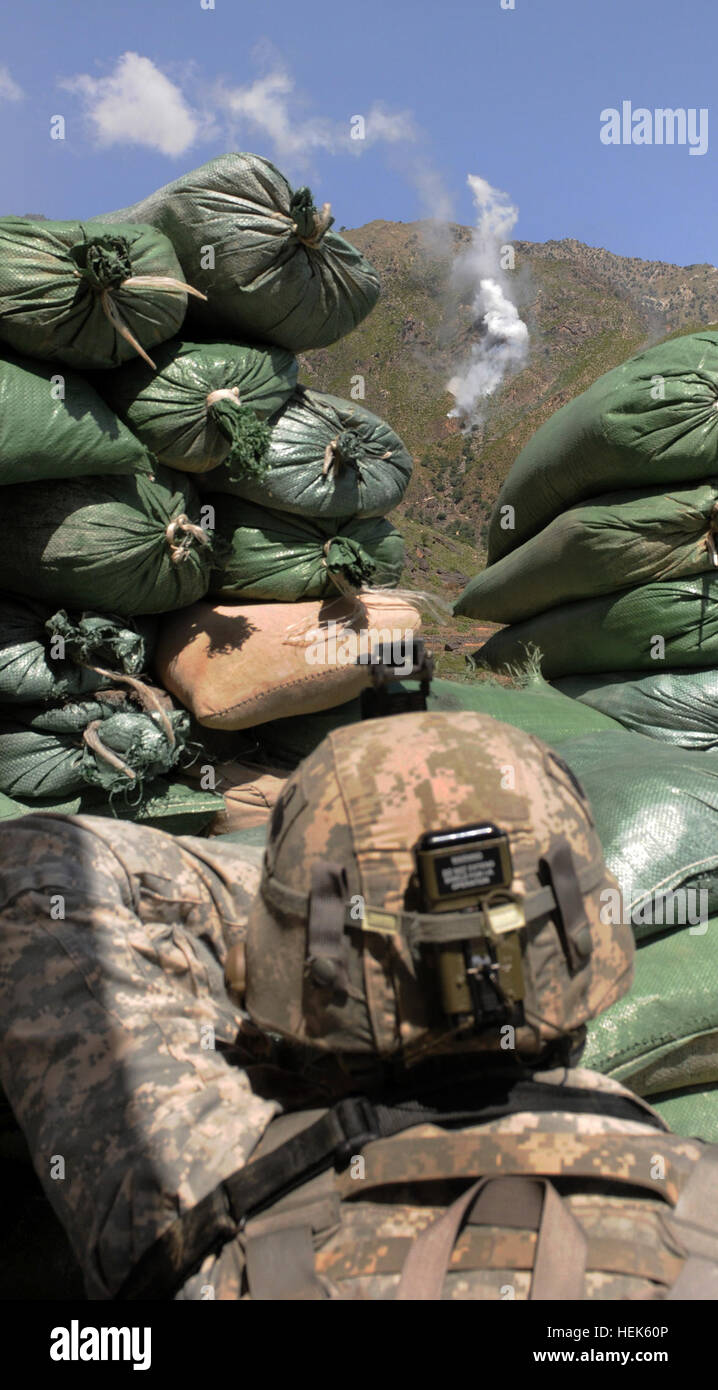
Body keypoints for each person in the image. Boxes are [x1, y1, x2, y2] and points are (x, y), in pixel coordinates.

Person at [1, 710, 716, 1301]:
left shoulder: (195, 1186)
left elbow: (37, 864)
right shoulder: (701, 1207)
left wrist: (314, 912)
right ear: (592, 939)